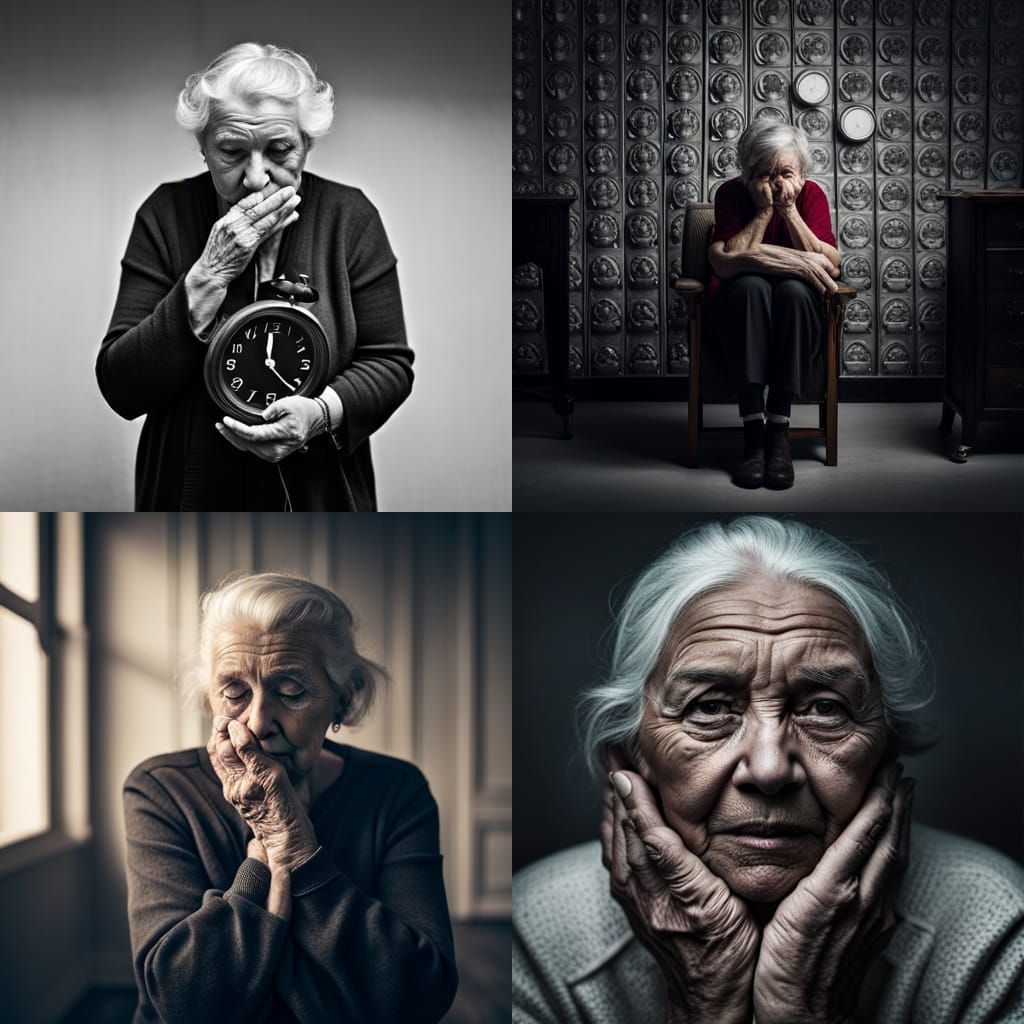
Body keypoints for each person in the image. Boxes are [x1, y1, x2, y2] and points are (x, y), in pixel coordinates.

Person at [513, 517, 1024, 1023]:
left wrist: (806, 1011)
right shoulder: (532, 935)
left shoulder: (993, 925)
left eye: (825, 709)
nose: (770, 769)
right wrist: (705, 1004)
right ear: (631, 755)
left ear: (885, 749)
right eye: (710, 708)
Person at [124, 572, 457, 1023]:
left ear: (343, 701)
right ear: (209, 701)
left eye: (290, 692)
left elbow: (420, 993)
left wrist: (296, 849)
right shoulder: (160, 789)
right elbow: (183, 1001)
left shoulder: (396, 791)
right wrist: (265, 859)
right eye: (234, 692)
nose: (258, 722)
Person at [97, 43, 412, 510]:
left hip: (320, 490)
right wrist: (209, 274)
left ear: (307, 144)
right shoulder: (164, 214)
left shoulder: (351, 217)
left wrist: (321, 414)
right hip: (188, 487)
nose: (257, 177)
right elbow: (121, 387)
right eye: (231, 151)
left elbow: (389, 364)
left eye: (280, 150)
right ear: (203, 148)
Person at [707, 122, 840, 490]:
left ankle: (779, 428)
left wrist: (790, 212)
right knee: (751, 287)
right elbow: (724, 262)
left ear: (802, 173)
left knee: (794, 293)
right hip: (741, 309)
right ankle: (753, 430)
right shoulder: (731, 193)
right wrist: (766, 211)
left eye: (786, 172)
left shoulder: (811, 195)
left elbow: (831, 262)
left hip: (797, 309)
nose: (777, 183)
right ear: (748, 173)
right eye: (765, 173)